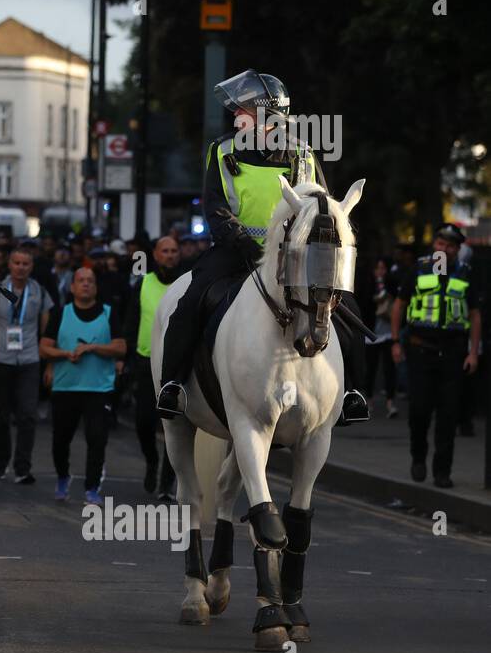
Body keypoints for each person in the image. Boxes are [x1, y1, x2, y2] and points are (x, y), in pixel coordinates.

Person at [156, 69, 369, 424]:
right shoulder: (222, 150)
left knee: (347, 307)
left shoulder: (303, 154)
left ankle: (353, 393)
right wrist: (243, 243)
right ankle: (173, 384)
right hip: (235, 250)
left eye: (243, 110)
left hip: (295, 258)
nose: (235, 115)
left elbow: (321, 207)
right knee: (189, 301)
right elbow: (215, 206)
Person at [391, 223, 481, 487]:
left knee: (448, 415)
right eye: (441, 244)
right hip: (420, 350)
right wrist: (395, 341)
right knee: (419, 410)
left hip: (453, 354)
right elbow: (399, 306)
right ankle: (418, 457)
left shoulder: (465, 274)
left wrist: (473, 352)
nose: (445, 249)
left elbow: (475, 315)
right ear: (435, 246)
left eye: (451, 245)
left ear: (457, 249)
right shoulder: (418, 270)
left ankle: (442, 472)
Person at [40, 267, 125, 504]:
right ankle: (63, 476)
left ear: (96, 287)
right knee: (60, 440)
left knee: (97, 439)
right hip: (66, 387)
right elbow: (44, 347)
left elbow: (121, 347)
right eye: (81, 280)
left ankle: (92, 487)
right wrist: (66, 353)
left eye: (90, 280)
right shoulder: (60, 313)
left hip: (99, 389)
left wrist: (93, 348)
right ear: (73, 287)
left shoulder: (108, 313)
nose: (86, 284)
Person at [123, 235, 182, 499]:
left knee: (173, 425)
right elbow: (131, 321)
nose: (170, 255)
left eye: (174, 251)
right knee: (144, 422)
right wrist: (123, 359)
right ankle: (151, 461)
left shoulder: (185, 284)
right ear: (155, 255)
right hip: (145, 361)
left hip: (175, 365)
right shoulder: (143, 283)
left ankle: (167, 481)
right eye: (165, 251)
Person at [0, 248, 54, 484]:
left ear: (31, 266)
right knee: (1, 417)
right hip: (2, 361)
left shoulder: (39, 292)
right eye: (16, 263)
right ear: (9, 264)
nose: (20, 267)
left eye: (25, 263)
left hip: (29, 360)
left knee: (28, 415)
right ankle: (0, 463)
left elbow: (46, 326)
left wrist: (47, 359)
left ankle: (23, 467)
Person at [363, 256, 399, 419]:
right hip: (371, 333)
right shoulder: (367, 286)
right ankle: (368, 400)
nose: (380, 272)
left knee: (389, 368)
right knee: (371, 368)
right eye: (377, 268)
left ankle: (390, 402)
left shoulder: (392, 285)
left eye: (383, 268)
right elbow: (365, 305)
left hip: (388, 332)